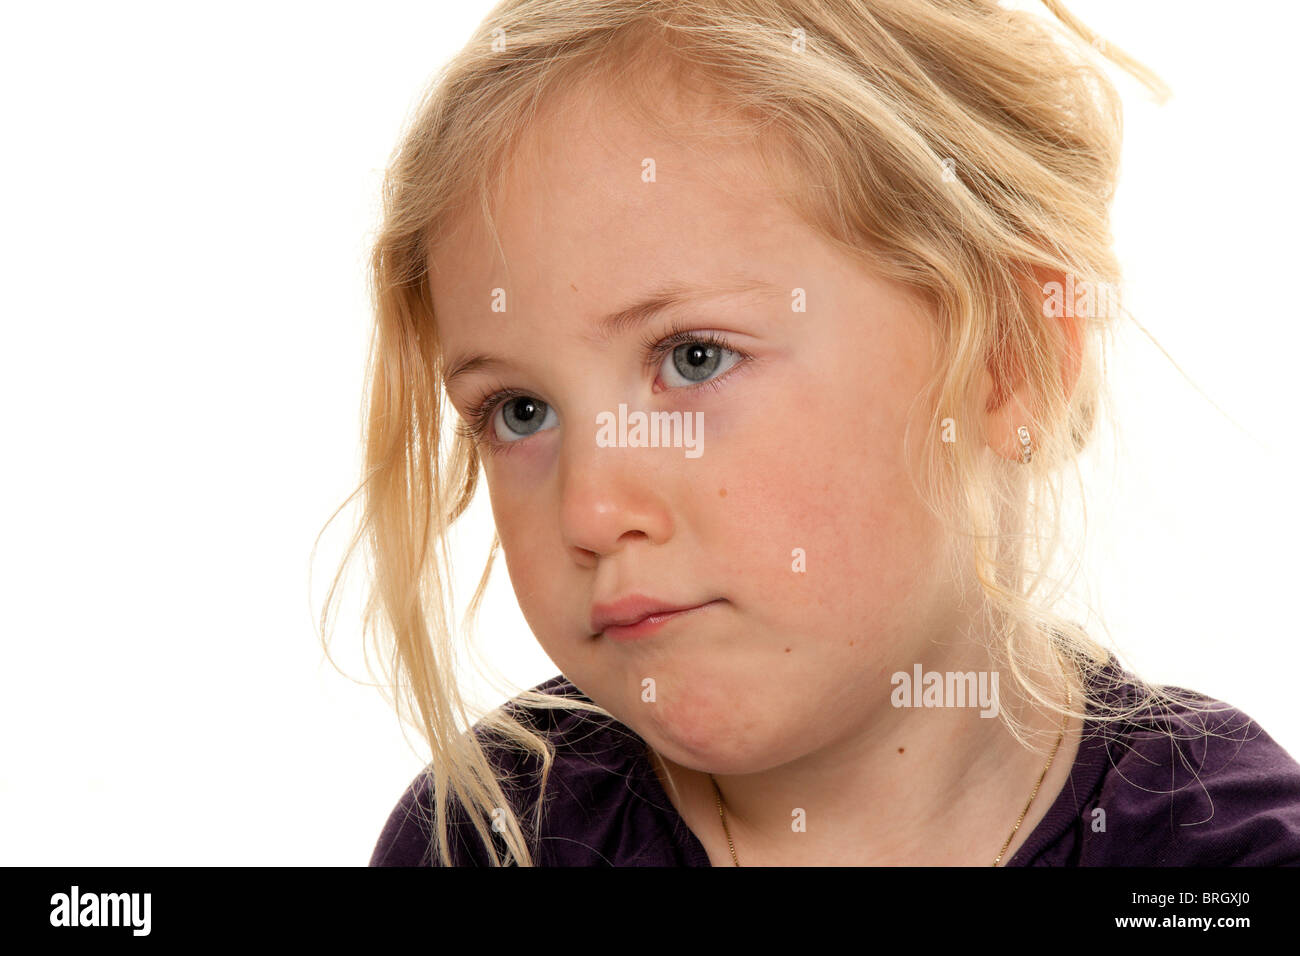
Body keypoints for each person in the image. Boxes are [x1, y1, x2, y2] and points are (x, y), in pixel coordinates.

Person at [321, 0, 1300, 865]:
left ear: (1010, 360)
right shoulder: (491, 837)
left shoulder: (1218, 856)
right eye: (519, 411)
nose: (590, 507)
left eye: (694, 357)